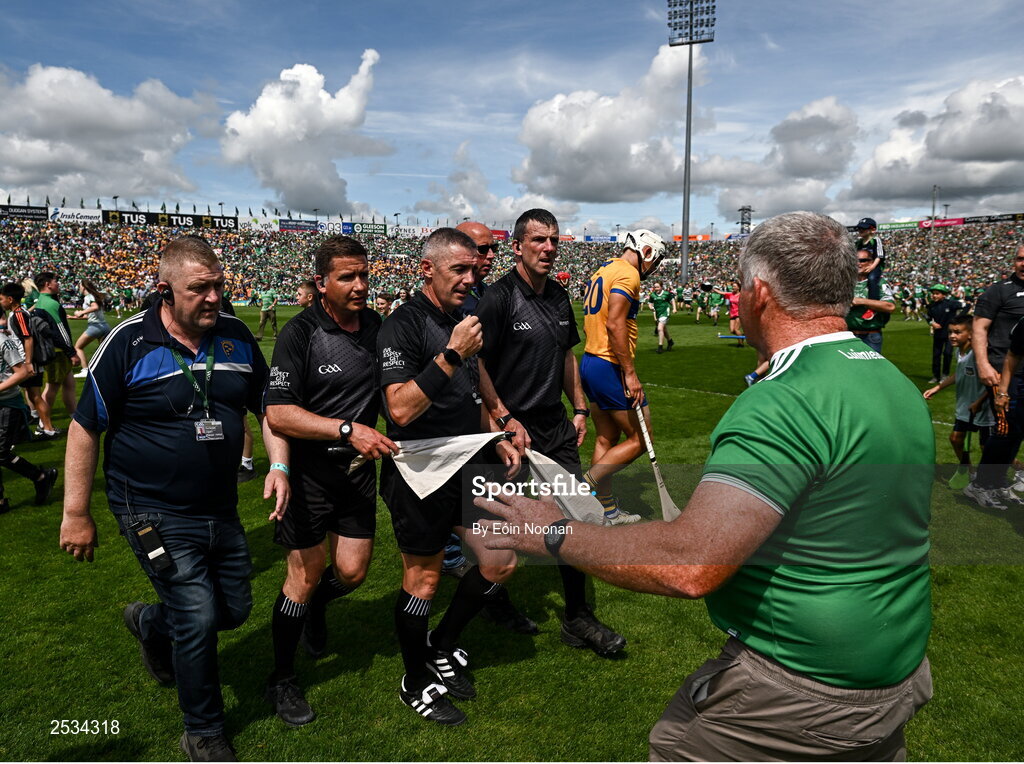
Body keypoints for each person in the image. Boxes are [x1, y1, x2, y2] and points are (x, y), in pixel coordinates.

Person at [477, 211, 934, 762]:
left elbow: (692, 563)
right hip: (897, 664)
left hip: (805, 681)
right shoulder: (891, 379)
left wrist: (553, 532)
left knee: (674, 746)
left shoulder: (784, 402)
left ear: (758, 294)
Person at [58, 236, 291, 761]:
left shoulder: (235, 335)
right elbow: (84, 427)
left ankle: (149, 623)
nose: (215, 298)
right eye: (200, 289)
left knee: (233, 608)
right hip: (149, 509)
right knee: (197, 615)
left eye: (219, 286)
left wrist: (278, 465)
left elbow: (267, 408)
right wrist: (76, 512)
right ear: (164, 290)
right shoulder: (128, 342)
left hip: (219, 506)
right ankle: (203, 729)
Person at [376, 227, 520, 726]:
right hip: (418, 467)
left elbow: (472, 384)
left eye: (473, 270)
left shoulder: (464, 316)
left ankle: (442, 642)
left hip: (465, 459)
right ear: (427, 270)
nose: (469, 279)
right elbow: (399, 409)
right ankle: (414, 680)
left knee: (500, 559)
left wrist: (497, 432)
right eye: (458, 270)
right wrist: (453, 353)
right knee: (423, 579)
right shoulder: (402, 325)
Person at [475, 208, 626, 655]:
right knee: (496, 528)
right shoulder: (498, 298)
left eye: (554, 240)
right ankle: (493, 599)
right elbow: (475, 363)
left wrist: (578, 407)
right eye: (539, 240)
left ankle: (577, 617)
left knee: (572, 518)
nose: (548, 248)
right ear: (518, 246)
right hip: (506, 432)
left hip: (554, 428)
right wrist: (502, 418)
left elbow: (565, 355)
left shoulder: (559, 296)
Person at [262, 235, 398, 725]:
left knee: (353, 573)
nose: (360, 285)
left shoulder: (377, 327)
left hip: (357, 475)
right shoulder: (300, 333)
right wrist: (346, 429)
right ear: (321, 283)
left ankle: (318, 607)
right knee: (302, 576)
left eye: (364, 275)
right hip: (309, 475)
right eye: (347, 277)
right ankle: (282, 679)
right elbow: (278, 413)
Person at [449, 219, 536, 635]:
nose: (486, 257)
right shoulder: (452, 301)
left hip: (486, 424)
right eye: (479, 249)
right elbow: (468, 368)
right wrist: (499, 416)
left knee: (494, 521)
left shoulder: (486, 294)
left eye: (491, 250)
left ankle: (489, 594)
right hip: (461, 429)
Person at [579, 229, 667, 524]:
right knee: (641, 440)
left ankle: (606, 510)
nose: (654, 268)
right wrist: (629, 372)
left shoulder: (604, 269)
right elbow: (615, 324)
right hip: (609, 365)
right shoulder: (628, 274)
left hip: (590, 361)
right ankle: (581, 490)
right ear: (647, 252)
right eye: (656, 260)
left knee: (606, 438)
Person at [969, 245, 1024, 508]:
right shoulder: (999, 291)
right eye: (1020, 258)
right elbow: (979, 328)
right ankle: (980, 485)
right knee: (1005, 429)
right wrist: (983, 364)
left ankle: (998, 482)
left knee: (1018, 430)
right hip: (1002, 371)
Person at [0, 314, 58, 514]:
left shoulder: (3, 342)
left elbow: (22, 372)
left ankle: (41, 477)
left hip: (8, 404)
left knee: (1, 453)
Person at [924, 314, 993, 479]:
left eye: (957, 332)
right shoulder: (959, 352)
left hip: (984, 408)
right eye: (950, 332)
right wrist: (938, 387)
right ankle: (970, 472)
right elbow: (959, 373)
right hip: (966, 406)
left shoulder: (979, 354)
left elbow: (994, 381)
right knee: (955, 439)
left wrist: (979, 402)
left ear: (970, 334)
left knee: (988, 447)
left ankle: (1018, 470)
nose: (952, 336)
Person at [0, 282, 57, 438]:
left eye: (1, 299)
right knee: (31, 395)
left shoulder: (19, 314)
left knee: (35, 396)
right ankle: (36, 427)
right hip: (27, 359)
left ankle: (48, 429)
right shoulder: (18, 312)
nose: (1, 302)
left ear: (10, 299)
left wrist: (28, 362)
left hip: (29, 360)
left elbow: (28, 338)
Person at [33, 271, 79, 421]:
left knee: (69, 383)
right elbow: (60, 331)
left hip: (53, 350)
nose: (58, 283)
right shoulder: (51, 304)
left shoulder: (41, 301)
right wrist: (71, 352)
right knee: (52, 388)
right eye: (55, 281)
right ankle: (43, 424)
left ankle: (75, 417)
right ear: (48, 284)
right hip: (58, 352)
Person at [845, 249, 895, 353]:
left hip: (870, 335)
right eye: (855, 260)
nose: (858, 263)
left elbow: (890, 307)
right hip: (848, 335)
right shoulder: (845, 283)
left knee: (871, 364)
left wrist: (861, 301)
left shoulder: (880, 283)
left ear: (871, 263)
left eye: (863, 260)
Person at [70, 279, 113, 378]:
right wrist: (74, 317)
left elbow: (95, 307)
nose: (79, 288)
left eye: (80, 286)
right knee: (104, 350)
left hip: (95, 327)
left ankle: (85, 370)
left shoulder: (88, 297)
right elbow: (89, 315)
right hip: (104, 326)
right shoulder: (94, 296)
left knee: (78, 347)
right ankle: (110, 369)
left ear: (84, 287)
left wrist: (81, 312)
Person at [926, 284, 961, 383]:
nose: (934, 296)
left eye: (937, 294)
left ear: (944, 295)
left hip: (950, 335)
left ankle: (945, 375)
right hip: (938, 334)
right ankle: (936, 376)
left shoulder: (951, 303)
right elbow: (928, 317)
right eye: (933, 294)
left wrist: (957, 320)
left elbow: (966, 306)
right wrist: (932, 323)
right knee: (936, 355)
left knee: (947, 353)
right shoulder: (931, 306)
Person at [855, 216, 886, 301]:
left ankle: (873, 301)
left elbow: (879, 255)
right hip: (860, 266)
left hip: (874, 266)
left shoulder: (876, 240)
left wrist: (872, 267)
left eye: (863, 228)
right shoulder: (858, 243)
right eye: (859, 228)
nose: (860, 230)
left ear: (872, 230)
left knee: (872, 278)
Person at [647, 281, 676, 354]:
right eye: (655, 287)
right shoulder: (652, 295)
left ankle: (660, 347)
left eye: (658, 287)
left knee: (660, 328)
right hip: (658, 313)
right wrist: (651, 307)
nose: (656, 288)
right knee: (664, 329)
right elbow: (650, 303)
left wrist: (674, 308)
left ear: (661, 287)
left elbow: (672, 300)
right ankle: (670, 341)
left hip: (665, 313)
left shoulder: (666, 293)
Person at [713, 281, 743, 346]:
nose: (733, 287)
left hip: (739, 313)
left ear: (738, 287)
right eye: (732, 286)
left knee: (736, 329)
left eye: (734, 286)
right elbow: (722, 292)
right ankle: (741, 336)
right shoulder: (730, 294)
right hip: (732, 313)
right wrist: (714, 289)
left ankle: (740, 343)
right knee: (732, 330)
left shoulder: (742, 295)